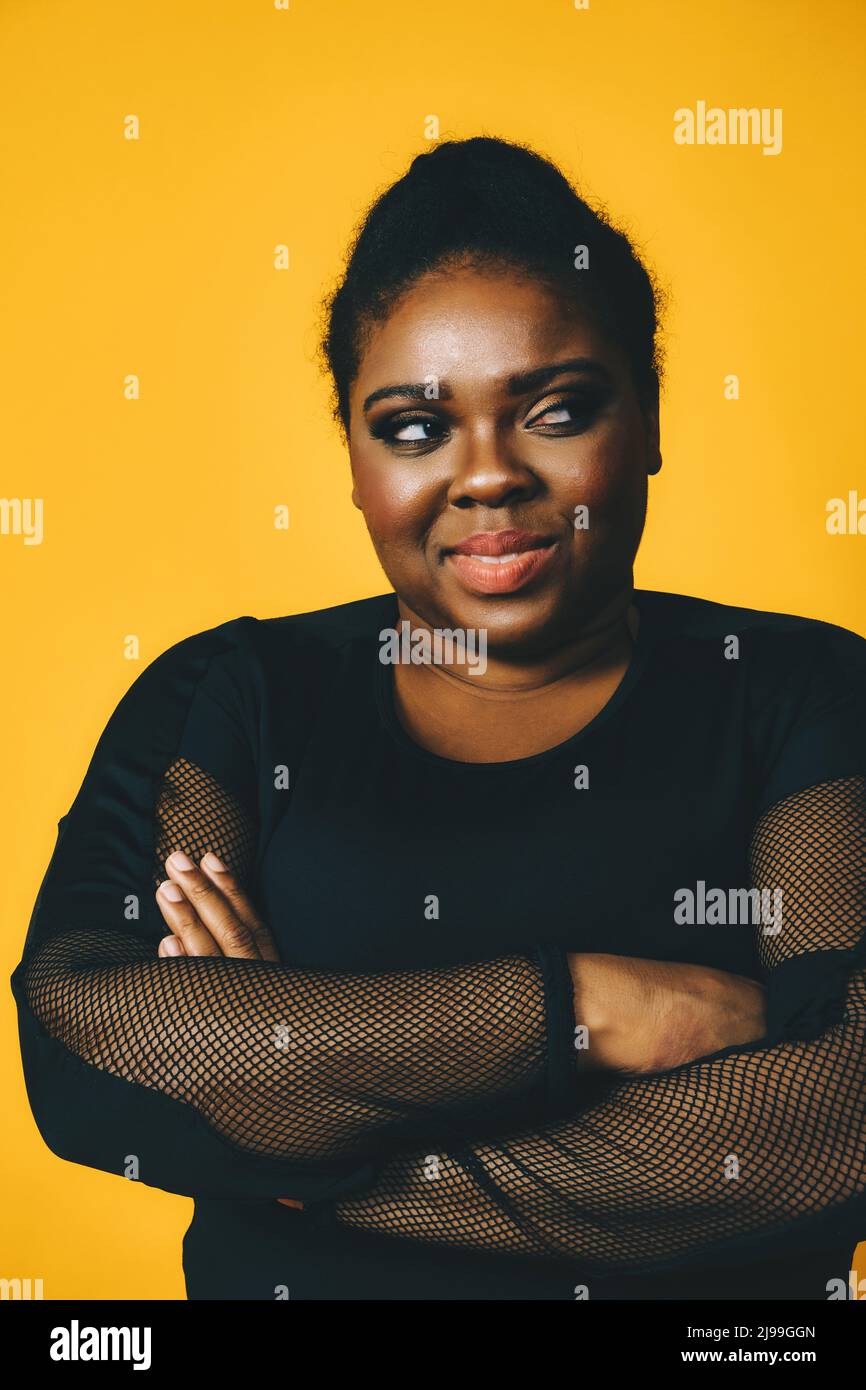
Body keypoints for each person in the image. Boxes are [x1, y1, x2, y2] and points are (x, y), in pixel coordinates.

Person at [11, 136, 866, 1301]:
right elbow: (86, 1050)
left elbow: (838, 1120)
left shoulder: (802, 693)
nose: (485, 475)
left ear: (651, 421)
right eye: (414, 426)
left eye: (554, 409)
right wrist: (589, 1008)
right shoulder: (240, 697)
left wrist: (303, 1123)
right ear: (355, 459)